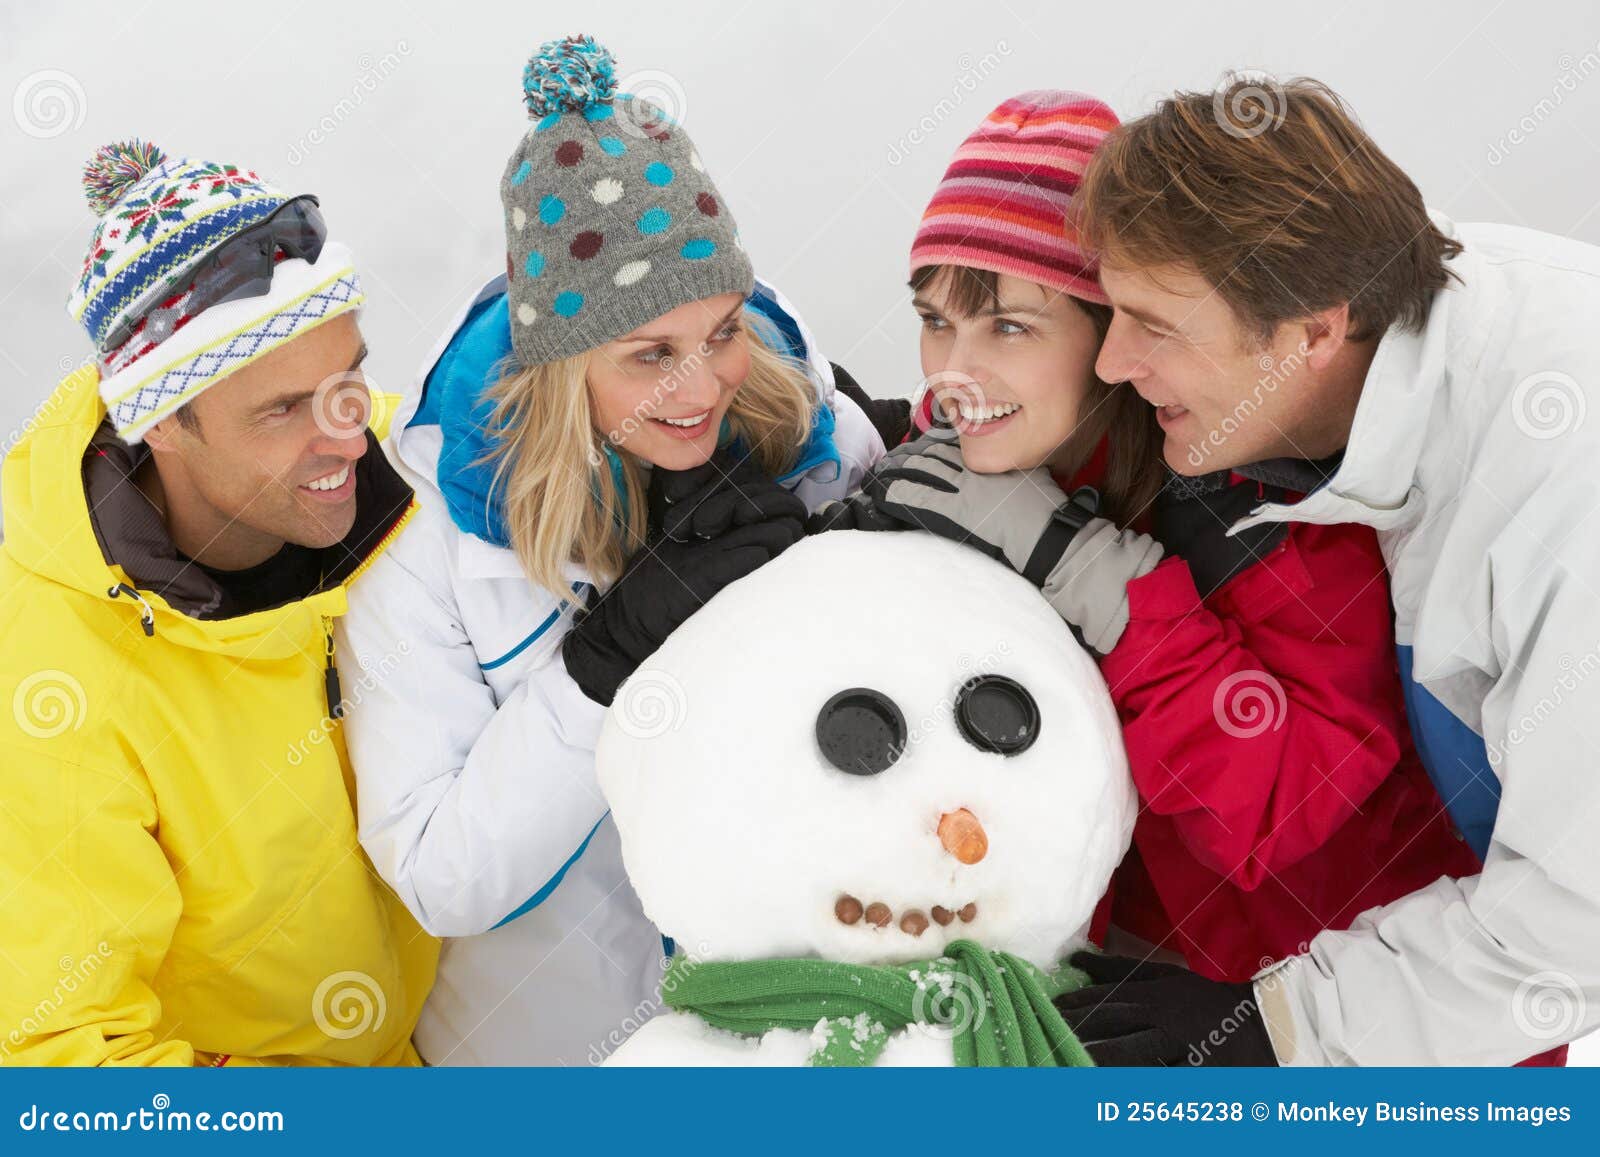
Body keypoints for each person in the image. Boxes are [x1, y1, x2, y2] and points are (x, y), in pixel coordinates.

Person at [824, 88, 1564, 1066]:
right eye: (932, 322)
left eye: (1009, 326)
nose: (953, 373)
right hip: (1148, 991)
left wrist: (1101, 584)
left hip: (1378, 1034)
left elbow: (1288, 810)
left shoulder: (1274, 499)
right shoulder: (998, 447)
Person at [337, 35, 885, 1065]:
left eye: (722, 330)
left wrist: (832, 580)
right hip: (557, 1060)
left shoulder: (815, 447)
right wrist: (605, 665)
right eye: (649, 357)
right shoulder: (430, 545)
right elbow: (439, 872)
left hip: (790, 1037)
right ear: (560, 362)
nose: (704, 387)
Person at [0, 140, 437, 1065]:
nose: (350, 437)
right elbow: (62, 1065)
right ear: (161, 419)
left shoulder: (413, 480)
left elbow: (554, 427)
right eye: (282, 411)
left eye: (349, 377)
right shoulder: (52, 688)